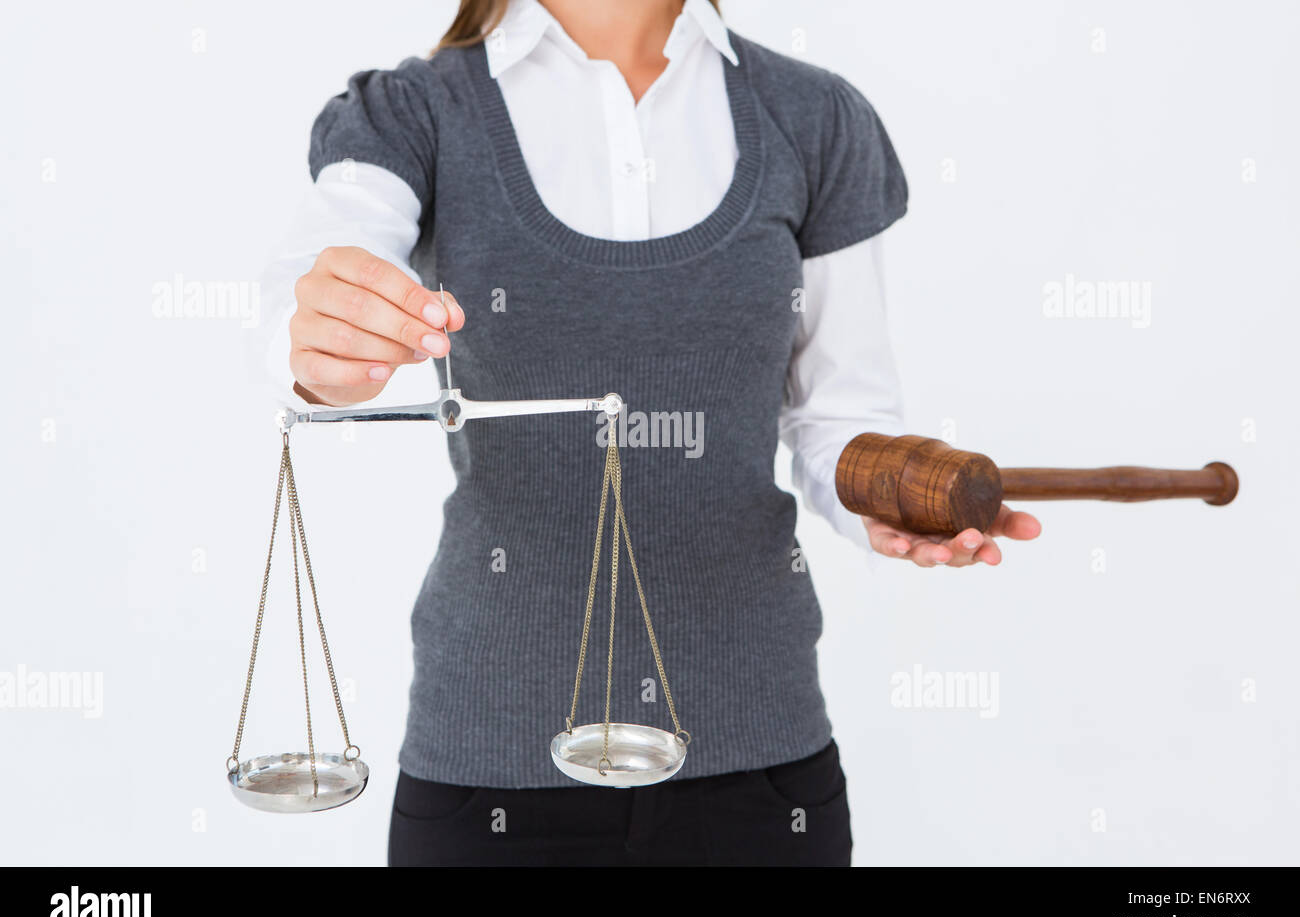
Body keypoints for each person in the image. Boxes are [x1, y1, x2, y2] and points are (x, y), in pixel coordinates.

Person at [261, 0, 1041, 866]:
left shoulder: (812, 116)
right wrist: (321, 334)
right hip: (492, 770)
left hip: (759, 766)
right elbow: (324, 262)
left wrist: (882, 501)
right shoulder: (415, 113)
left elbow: (837, 417)